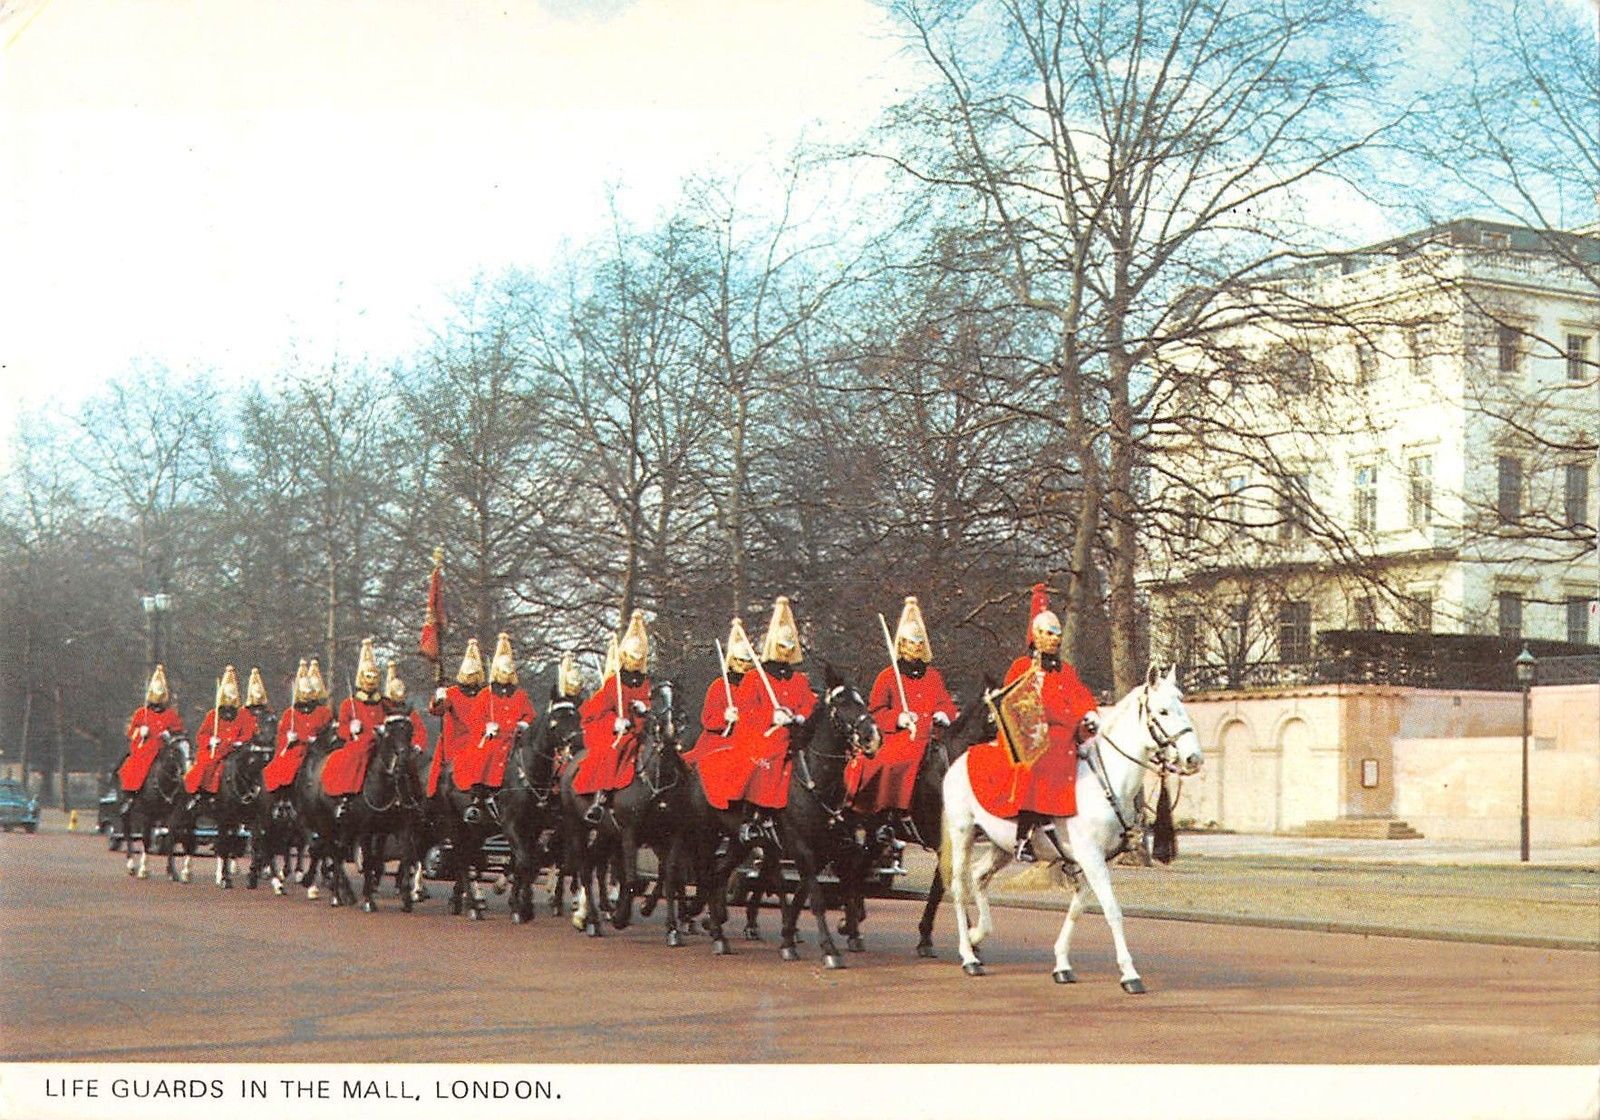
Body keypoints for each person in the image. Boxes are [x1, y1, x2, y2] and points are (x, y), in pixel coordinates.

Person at [970, 583, 1099, 863]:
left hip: (1066, 740)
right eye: (1049, 634)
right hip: (1029, 739)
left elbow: (1082, 699)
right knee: (1034, 763)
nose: (1054, 640)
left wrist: (1090, 716)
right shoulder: (1021, 668)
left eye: (1057, 635)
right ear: (1037, 637)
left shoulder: (1067, 671)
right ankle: (1024, 835)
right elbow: (1011, 704)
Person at [697, 596, 816, 844]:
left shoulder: (800, 680)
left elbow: (808, 703)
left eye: (789, 646)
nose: (786, 651)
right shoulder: (753, 680)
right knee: (762, 759)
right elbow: (747, 710)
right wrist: (769, 717)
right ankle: (755, 815)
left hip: (795, 734)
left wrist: (800, 715)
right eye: (782, 646)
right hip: (761, 735)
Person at [848, 596, 957, 850]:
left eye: (920, 643)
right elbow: (875, 711)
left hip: (931, 737)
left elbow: (945, 703)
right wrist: (897, 718)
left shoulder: (934, 676)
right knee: (893, 763)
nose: (916, 648)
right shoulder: (887, 677)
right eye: (911, 643)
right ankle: (889, 815)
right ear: (902, 645)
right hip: (897, 737)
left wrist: (944, 714)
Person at [573, 612, 652, 824]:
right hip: (619, 733)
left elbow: (652, 703)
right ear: (625, 657)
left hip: (644, 731)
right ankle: (602, 797)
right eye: (633, 658)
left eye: (639, 658)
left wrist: (645, 708)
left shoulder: (646, 682)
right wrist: (614, 722)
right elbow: (595, 713)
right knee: (614, 750)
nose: (636, 662)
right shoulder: (613, 683)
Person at [450, 632, 536, 822]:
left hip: (515, 738)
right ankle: (478, 797)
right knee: (485, 754)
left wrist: (524, 723)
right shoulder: (485, 695)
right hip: (493, 739)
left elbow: (530, 715)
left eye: (510, 671)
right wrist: (486, 727)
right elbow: (474, 720)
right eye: (504, 671)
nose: (507, 675)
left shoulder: (520, 695)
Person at [322, 639, 386, 818]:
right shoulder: (348, 704)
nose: (371, 681)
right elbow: (341, 730)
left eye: (374, 677)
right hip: (359, 743)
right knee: (353, 757)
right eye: (368, 677)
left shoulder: (383, 703)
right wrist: (351, 728)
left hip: (381, 741)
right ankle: (346, 797)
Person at [682, 617, 756, 769]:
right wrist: (724, 717)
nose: (744, 665)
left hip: (749, 739)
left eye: (747, 661)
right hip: (720, 737)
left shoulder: (757, 686)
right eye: (740, 661)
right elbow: (707, 718)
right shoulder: (719, 686)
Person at [185, 666, 258, 803]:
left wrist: (240, 741)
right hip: (216, 749)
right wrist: (210, 740)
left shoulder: (243, 714)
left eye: (233, 693)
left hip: (235, 750)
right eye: (228, 693)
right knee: (205, 764)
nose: (231, 696)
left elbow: (249, 732)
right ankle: (199, 793)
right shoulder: (213, 715)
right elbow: (202, 735)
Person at [426, 639, 488, 799]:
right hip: (458, 742)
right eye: (468, 675)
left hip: (483, 740)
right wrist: (438, 698)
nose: (470, 678)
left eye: (473, 675)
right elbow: (436, 710)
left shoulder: (486, 694)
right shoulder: (452, 693)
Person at [117, 665, 185, 803]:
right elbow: (131, 732)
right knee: (133, 766)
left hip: (164, 748)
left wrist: (169, 734)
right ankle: (131, 794)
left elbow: (180, 731)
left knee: (178, 766)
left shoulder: (171, 714)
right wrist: (139, 732)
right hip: (145, 748)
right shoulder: (142, 713)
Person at [263, 659, 332, 794]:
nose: (307, 693)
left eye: (309, 690)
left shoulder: (323, 712)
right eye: (304, 690)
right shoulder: (290, 714)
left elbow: (328, 729)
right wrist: (289, 738)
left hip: (319, 747)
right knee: (287, 765)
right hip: (298, 747)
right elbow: (282, 736)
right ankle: (283, 797)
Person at [379, 663, 430, 754]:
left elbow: (420, 730)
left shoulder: (409, 712)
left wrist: (417, 744)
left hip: (406, 748)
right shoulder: (381, 708)